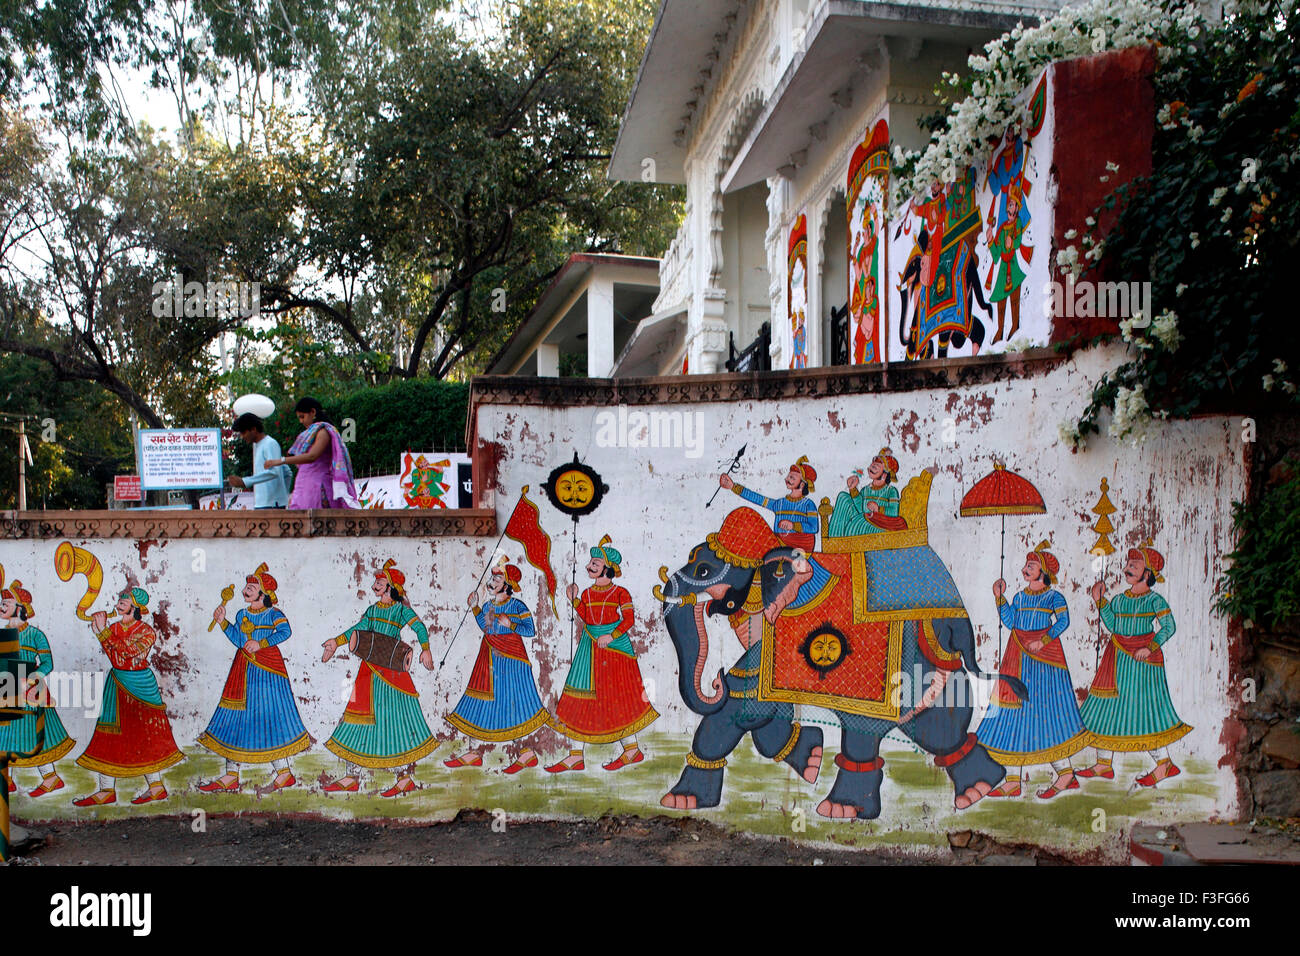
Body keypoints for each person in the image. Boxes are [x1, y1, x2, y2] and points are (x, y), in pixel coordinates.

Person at [976, 544, 1087, 799]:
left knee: (1047, 714)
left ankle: (1066, 773)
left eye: (1032, 566)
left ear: (1043, 572)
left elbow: (1064, 621)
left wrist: (1044, 640)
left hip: (1044, 662)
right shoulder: (1020, 597)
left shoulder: (1053, 597)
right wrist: (1000, 598)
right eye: (1026, 565)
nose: (1026, 569)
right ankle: (1013, 779)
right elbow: (1011, 621)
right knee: (1011, 714)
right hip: (1017, 656)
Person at [1076, 543, 1191, 787]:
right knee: (1107, 708)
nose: (1127, 569)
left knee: (1146, 712)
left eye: (1134, 566)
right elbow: (1113, 626)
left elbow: (1169, 627)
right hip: (1118, 657)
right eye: (1128, 564)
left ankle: (1164, 764)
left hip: (1143, 662)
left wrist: (1150, 647)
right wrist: (1101, 601)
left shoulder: (1154, 600)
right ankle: (1103, 764)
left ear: (1147, 574)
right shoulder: (1120, 599)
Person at [321, 560, 436, 796]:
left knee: (394, 721)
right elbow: (358, 629)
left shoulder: (401, 610)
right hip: (369, 671)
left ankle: (404, 777)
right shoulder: (373, 611)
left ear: (390, 586)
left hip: (392, 671)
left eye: (380, 582)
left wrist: (425, 648)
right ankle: (352, 775)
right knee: (356, 719)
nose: (375, 585)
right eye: (376, 581)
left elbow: (420, 628)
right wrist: (336, 642)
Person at [547, 536, 658, 773]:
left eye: (595, 563)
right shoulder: (587, 593)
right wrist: (574, 600)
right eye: (591, 562)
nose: (590, 566)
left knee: (617, 700)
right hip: (590, 647)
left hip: (615, 650)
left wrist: (612, 635)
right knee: (579, 697)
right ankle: (576, 755)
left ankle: (631, 750)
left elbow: (629, 619)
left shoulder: (621, 593)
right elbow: (588, 618)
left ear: (607, 568)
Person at [197, 563, 310, 792]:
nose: (246, 590)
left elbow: (285, 632)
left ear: (263, 593)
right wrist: (223, 623)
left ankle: (284, 772)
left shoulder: (274, 614)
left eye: (251, 586)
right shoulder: (241, 613)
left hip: (268, 672)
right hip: (243, 671)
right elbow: (240, 641)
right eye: (246, 586)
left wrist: (261, 643)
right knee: (236, 718)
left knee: (268, 720)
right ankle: (231, 775)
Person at [73, 587, 184, 806]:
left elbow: (127, 652)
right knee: (109, 735)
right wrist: (101, 631)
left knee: (144, 736)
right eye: (120, 600)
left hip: (139, 685)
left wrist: (104, 631)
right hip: (117, 682)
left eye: (124, 601)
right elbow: (114, 656)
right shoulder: (113, 627)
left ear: (135, 607)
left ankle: (156, 787)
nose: (119, 603)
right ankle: (106, 790)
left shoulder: (146, 632)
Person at [444, 557, 549, 773]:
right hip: (490, 656)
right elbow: (487, 627)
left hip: (512, 660)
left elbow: (530, 630)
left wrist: (511, 624)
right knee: (482, 703)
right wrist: (475, 609)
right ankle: (476, 752)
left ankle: (525, 752)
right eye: (492, 578)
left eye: (497, 579)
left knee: (512, 704)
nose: (491, 582)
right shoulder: (489, 605)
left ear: (507, 585)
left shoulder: (517, 606)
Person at [0, 580, 76, 797]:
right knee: (5, 733)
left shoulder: (35, 634)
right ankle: (7, 779)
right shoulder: (3, 633)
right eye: (2, 602)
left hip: (30, 689)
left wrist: (30, 680)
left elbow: (48, 663)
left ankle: (51, 778)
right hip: (7, 686)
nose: (2, 606)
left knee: (34, 735)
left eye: (7, 602)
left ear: (20, 607)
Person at [267, 397, 357, 509]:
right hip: (303, 485)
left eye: (302, 417)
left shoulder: (323, 431)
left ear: (313, 412)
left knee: (318, 521)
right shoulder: (309, 434)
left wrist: (282, 460)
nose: (301, 421)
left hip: (318, 486)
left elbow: (312, 456)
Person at [718, 455, 819, 551]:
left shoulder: (808, 504)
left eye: (792, 478)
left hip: (800, 548)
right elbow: (758, 499)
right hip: (779, 543)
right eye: (788, 476)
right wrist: (733, 486)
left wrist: (793, 525)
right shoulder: (780, 504)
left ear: (802, 485)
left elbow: (814, 528)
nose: (787, 479)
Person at [828, 447, 906, 537]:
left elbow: (894, 512)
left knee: (859, 522)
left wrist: (878, 509)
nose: (872, 467)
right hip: (863, 520)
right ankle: (834, 540)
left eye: (876, 466)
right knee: (843, 496)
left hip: (878, 525)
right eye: (873, 465)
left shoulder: (891, 491)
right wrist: (853, 489)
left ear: (885, 474)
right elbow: (860, 508)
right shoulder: (866, 489)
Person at [226, 413, 292, 508]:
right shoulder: (258, 446)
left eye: (243, 432)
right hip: (262, 503)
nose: (242, 436)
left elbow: (275, 472)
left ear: (253, 429)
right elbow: (287, 472)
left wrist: (245, 481)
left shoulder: (270, 443)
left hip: (272, 505)